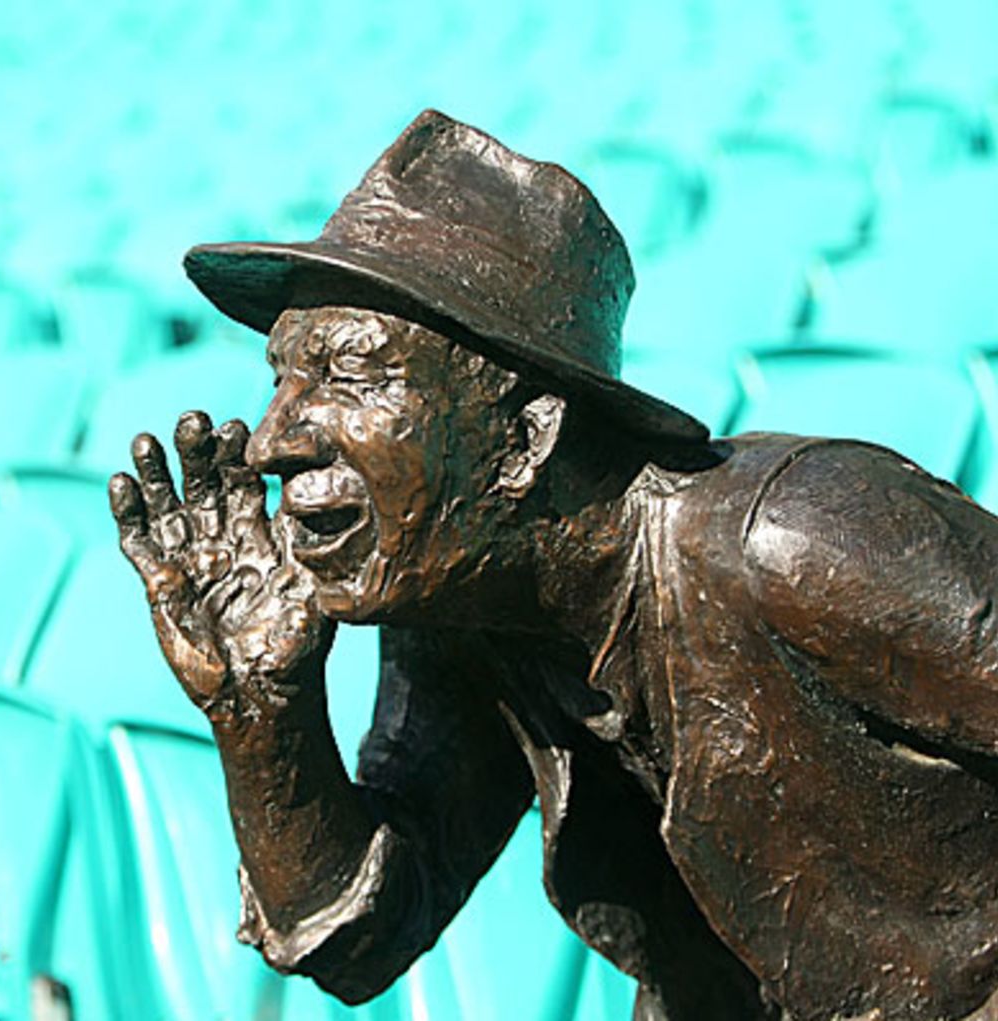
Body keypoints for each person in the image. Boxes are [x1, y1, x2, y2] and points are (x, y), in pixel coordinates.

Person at [108, 110, 998, 1021]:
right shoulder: (466, 610)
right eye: (283, 378)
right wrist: (263, 712)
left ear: (527, 435)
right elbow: (362, 938)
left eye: (350, 375)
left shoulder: (800, 535)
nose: (271, 441)